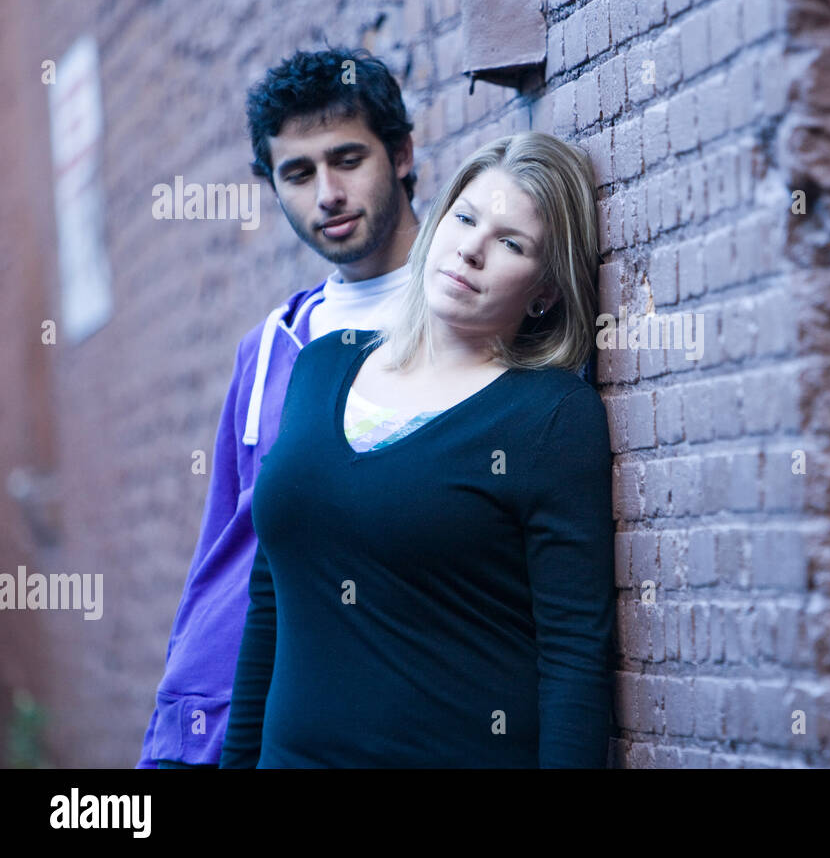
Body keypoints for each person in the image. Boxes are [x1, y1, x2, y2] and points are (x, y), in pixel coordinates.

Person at [218, 132, 614, 768]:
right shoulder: (323, 363)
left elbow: (574, 655)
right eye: (464, 218)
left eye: (510, 243)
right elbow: (268, 598)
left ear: (544, 292)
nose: (471, 249)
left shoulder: (549, 417)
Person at [136, 47, 425, 768]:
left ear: (402, 153)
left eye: (347, 159)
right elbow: (229, 556)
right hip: (282, 728)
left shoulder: (474, 306)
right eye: (297, 174)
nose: (327, 193)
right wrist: (188, 722)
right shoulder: (271, 350)